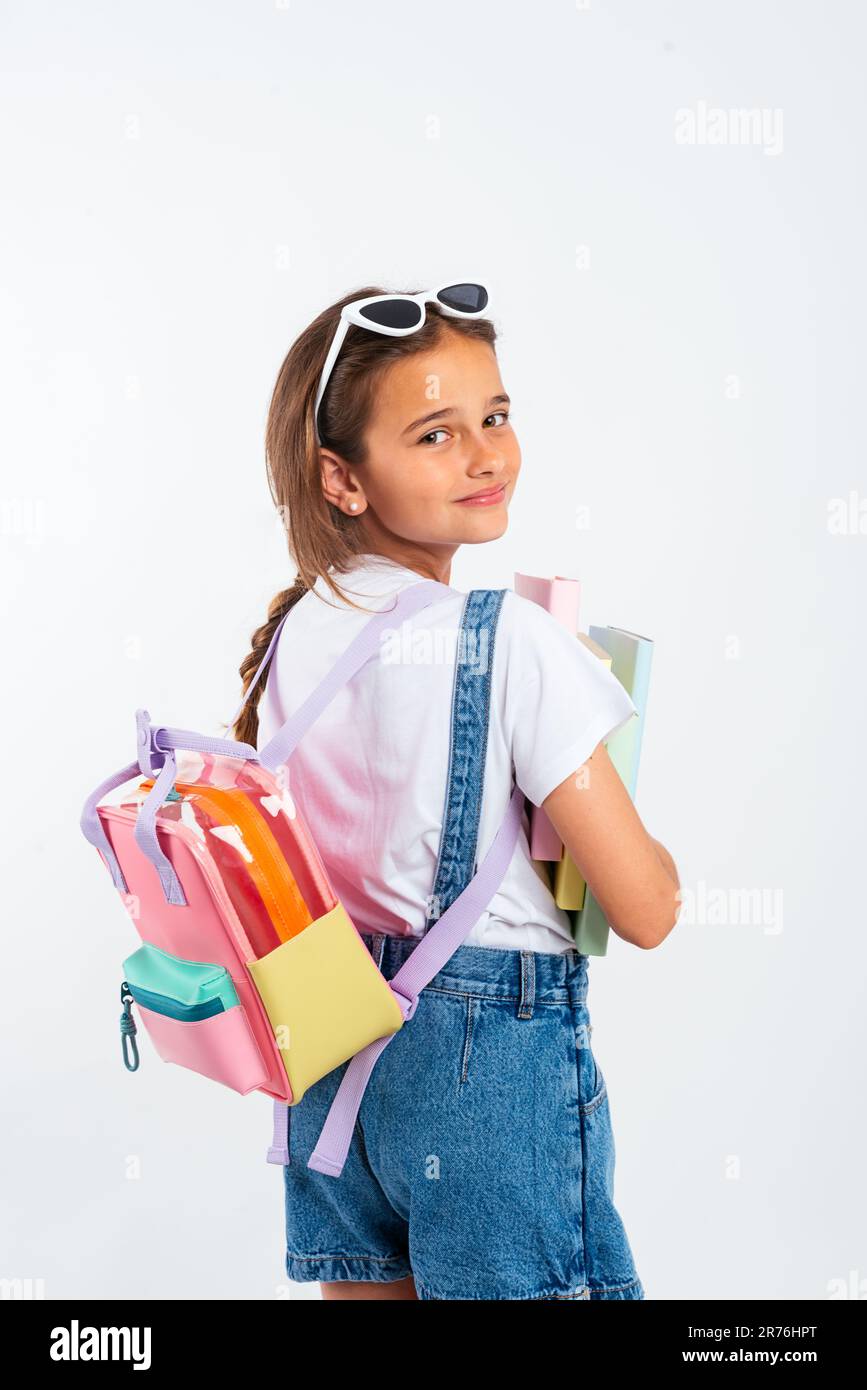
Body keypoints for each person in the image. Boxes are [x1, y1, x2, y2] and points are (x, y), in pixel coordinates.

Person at [232, 283, 681, 1301]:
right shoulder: (513, 637)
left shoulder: (297, 631)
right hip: (488, 1076)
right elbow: (644, 909)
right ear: (341, 478)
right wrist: (660, 867)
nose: (485, 454)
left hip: (332, 1048)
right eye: (435, 434)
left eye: (496, 415)